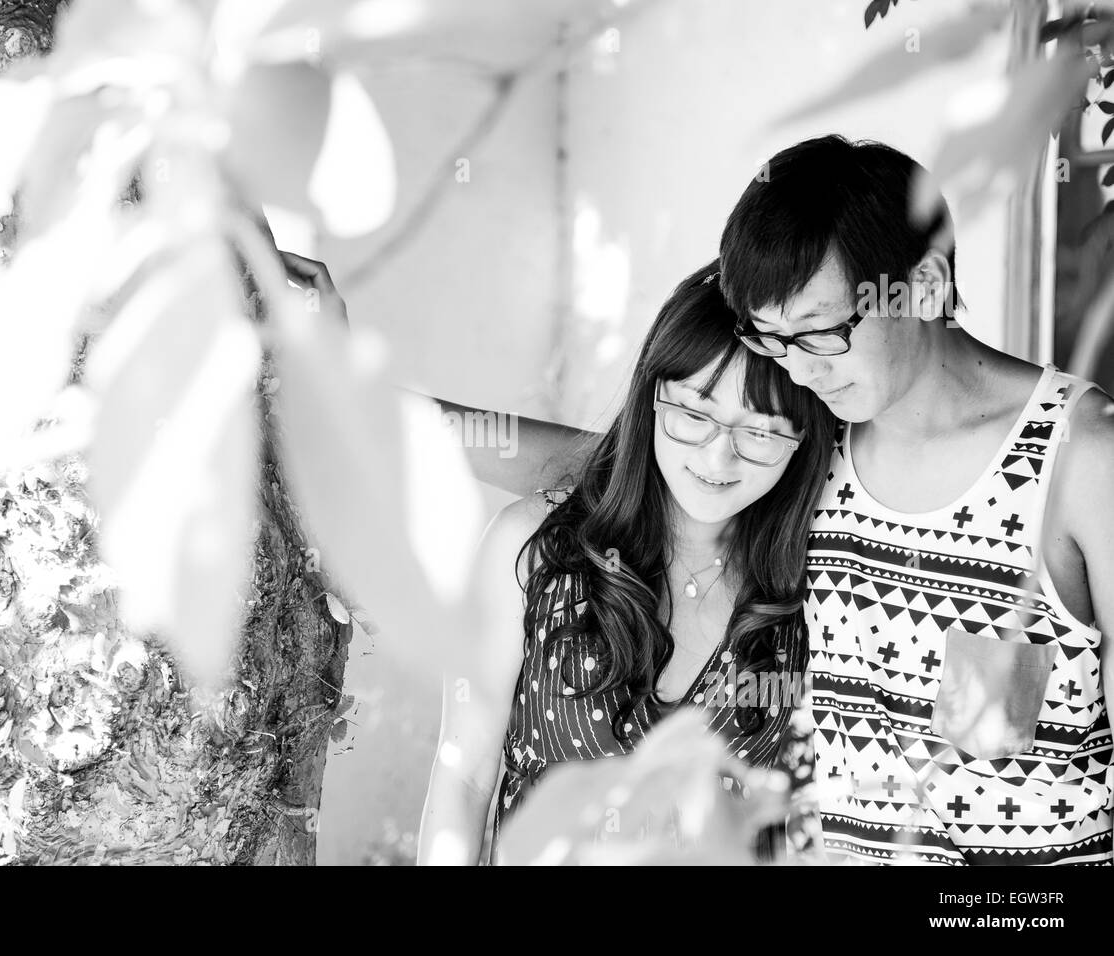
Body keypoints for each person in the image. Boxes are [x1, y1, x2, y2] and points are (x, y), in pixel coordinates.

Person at [442, 135, 1114, 866]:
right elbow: (619, 464)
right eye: (770, 339)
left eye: (818, 333)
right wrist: (366, 412)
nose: (795, 367)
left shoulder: (1081, 460)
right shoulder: (817, 443)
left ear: (923, 286)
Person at [407, 263, 834, 865]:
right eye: (694, 414)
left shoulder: (807, 587)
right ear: (652, 399)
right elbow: (466, 773)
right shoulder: (536, 550)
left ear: (802, 442)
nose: (718, 458)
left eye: (760, 433)